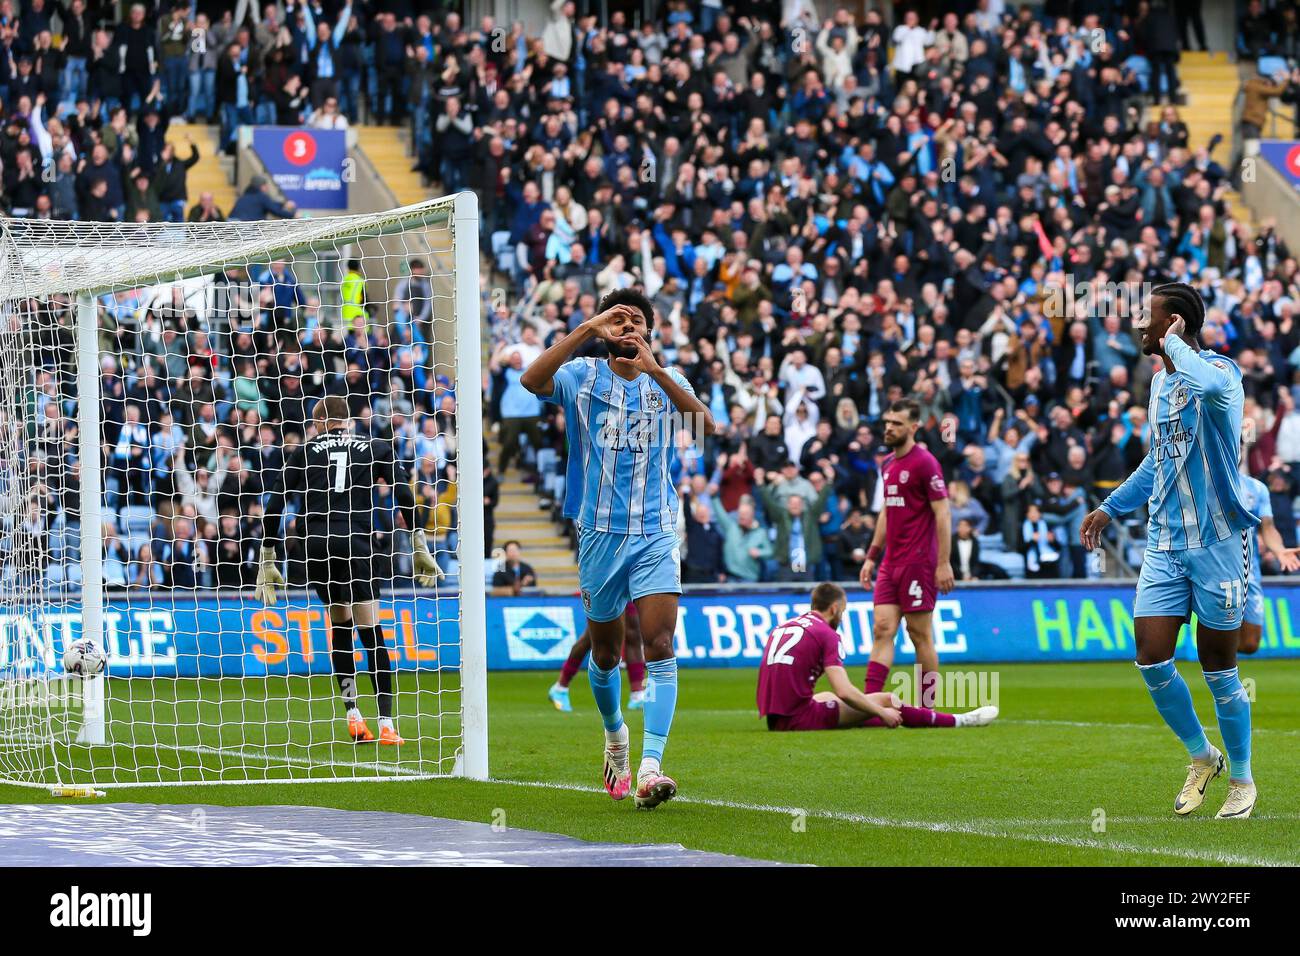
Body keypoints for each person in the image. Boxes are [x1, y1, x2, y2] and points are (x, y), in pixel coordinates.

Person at [521, 289, 714, 809]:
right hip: (598, 535)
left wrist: (657, 371)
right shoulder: (582, 377)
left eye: (637, 323)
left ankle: (652, 767)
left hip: (655, 530)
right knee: (605, 653)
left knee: (659, 645)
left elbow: (706, 426)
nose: (628, 329)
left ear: (651, 332)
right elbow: (530, 380)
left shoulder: (666, 382)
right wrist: (586, 329)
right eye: (618, 321)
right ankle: (615, 737)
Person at [1080, 284, 1259, 819]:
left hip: (1219, 542)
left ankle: (1243, 780)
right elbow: (1160, 461)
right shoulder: (1159, 386)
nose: (1139, 326)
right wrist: (1111, 506)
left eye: (1147, 317)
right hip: (1165, 540)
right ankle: (1203, 756)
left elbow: (1202, 381)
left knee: (1219, 667)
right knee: (1151, 655)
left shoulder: (1222, 374)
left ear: (1175, 323)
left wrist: (1176, 345)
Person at [256, 395, 441, 746]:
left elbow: (275, 503)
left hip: (317, 546)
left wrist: (268, 555)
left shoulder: (305, 450)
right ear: (349, 422)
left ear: (320, 422)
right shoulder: (375, 446)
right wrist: (418, 540)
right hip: (356, 543)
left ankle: (354, 716)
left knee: (339, 625)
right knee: (372, 631)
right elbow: (402, 491)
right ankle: (386, 723)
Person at [756, 582, 997, 730]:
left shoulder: (785, 625)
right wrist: (882, 712)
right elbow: (844, 690)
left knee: (828, 696)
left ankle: (871, 717)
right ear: (834, 609)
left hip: (775, 718)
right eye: (843, 611)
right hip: (797, 720)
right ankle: (958, 721)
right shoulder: (826, 634)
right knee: (888, 700)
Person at [858, 399, 953, 708]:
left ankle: (927, 706)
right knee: (882, 628)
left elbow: (943, 514)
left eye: (896, 423)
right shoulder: (887, 464)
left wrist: (943, 563)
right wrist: (872, 555)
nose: (888, 427)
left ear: (913, 428)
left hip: (919, 561)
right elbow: (887, 511)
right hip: (891, 562)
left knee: (918, 633)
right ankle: (870, 703)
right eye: (887, 421)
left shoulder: (925, 463)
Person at [1237, 470, 1300, 654]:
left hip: (1248, 571)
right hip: (1213, 570)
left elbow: (1268, 527)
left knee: (1250, 644)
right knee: (1217, 637)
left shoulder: (1256, 488)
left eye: (1241, 443)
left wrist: (1279, 550)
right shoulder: (1204, 482)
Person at [548, 603, 648, 712]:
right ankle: (560, 688)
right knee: (592, 636)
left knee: (634, 632)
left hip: (629, 586)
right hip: (605, 587)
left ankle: (637, 694)